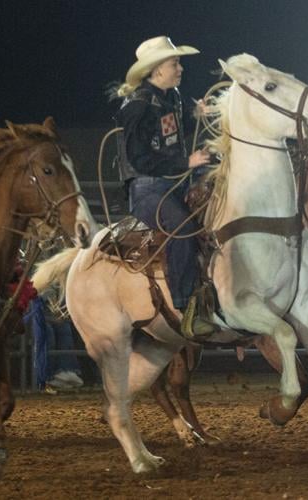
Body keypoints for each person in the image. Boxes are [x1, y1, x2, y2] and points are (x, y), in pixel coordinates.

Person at [113, 36, 214, 338]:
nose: (180, 68)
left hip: (173, 183)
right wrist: (186, 163)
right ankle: (185, 306)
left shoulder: (172, 97)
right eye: (175, 63)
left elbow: (172, 126)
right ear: (157, 70)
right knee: (182, 226)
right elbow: (139, 159)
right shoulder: (137, 106)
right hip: (146, 191)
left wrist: (195, 114)